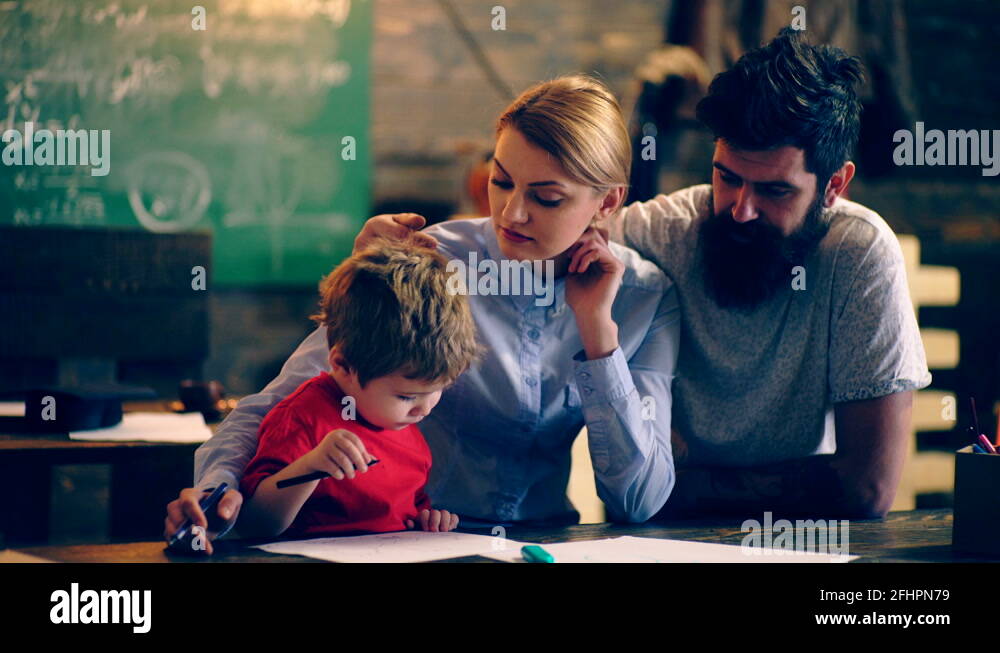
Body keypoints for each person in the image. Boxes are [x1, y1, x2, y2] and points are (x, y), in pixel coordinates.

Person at [361, 30, 931, 520]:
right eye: (726, 177)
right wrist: (375, 278)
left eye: (775, 190)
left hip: (811, 540)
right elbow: (545, 223)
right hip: (655, 538)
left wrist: (685, 484)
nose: (740, 208)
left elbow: (867, 488)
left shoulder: (861, 256)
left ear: (834, 185)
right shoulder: (652, 234)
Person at [165, 75, 681, 550]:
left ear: (608, 202)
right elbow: (282, 399)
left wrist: (598, 335)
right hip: (409, 542)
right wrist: (217, 492)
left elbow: (638, 501)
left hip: (549, 543)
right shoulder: (436, 259)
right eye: (502, 183)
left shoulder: (643, 298)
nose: (512, 213)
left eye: (546, 198)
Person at [234, 241, 478, 541]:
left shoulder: (404, 426)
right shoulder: (302, 419)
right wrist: (311, 467)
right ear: (343, 366)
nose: (424, 410)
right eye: (406, 396)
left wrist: (427, 518)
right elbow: (256, 522)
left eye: (438, 390)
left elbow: (405, 512)